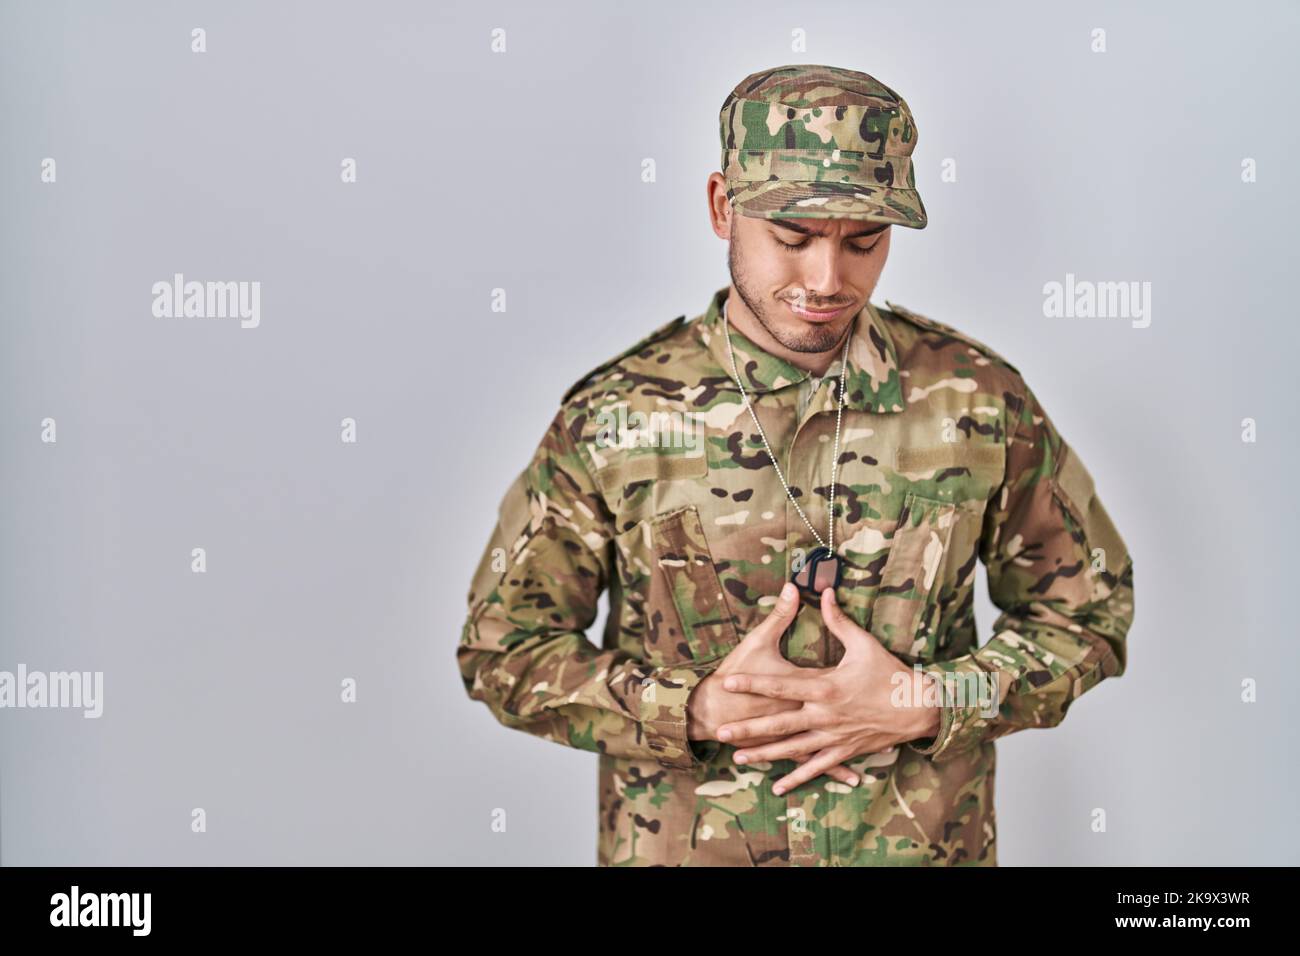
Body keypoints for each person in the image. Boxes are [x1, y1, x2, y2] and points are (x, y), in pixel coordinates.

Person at [456, 64, 1135, 866]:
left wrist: (928, 701)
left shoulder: (977, 400)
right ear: (722, 207)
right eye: (794, 237)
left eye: (864, 241)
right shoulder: (617, 417)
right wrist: (691, 709)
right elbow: (503, 648)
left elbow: (1089, 616)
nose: (826, 280)